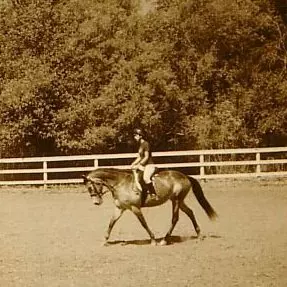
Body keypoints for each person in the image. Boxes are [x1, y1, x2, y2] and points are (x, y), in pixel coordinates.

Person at [131, 128, 158, 199]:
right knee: (137, 175)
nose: (134, 137)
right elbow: (140, 157)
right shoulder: (140, 145)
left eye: (136, 135)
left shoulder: (146, 144)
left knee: (146, 178)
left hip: (149, 165)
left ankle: (153, 193)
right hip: (144, 165)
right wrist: (133, 164)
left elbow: (146, 157)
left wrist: (139, 165)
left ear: (140, 136)